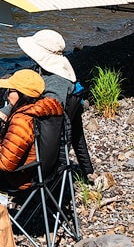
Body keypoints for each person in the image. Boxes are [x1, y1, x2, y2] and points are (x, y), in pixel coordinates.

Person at [17, 28, 95, 181]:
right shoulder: (49, 74)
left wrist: (15, 114)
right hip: (54, 139)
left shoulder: (55, 81)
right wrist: (88, 170)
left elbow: (50, 112)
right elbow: (77, 133)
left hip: (40, 146)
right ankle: (88, 171)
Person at [0, 69, 63, 190]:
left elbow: (6, 165)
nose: (7, 95)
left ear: (21, 94)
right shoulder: (47, 111)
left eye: (10, 90)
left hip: (20, 179)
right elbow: (12, 144)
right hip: (44, 173)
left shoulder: (22, 120)